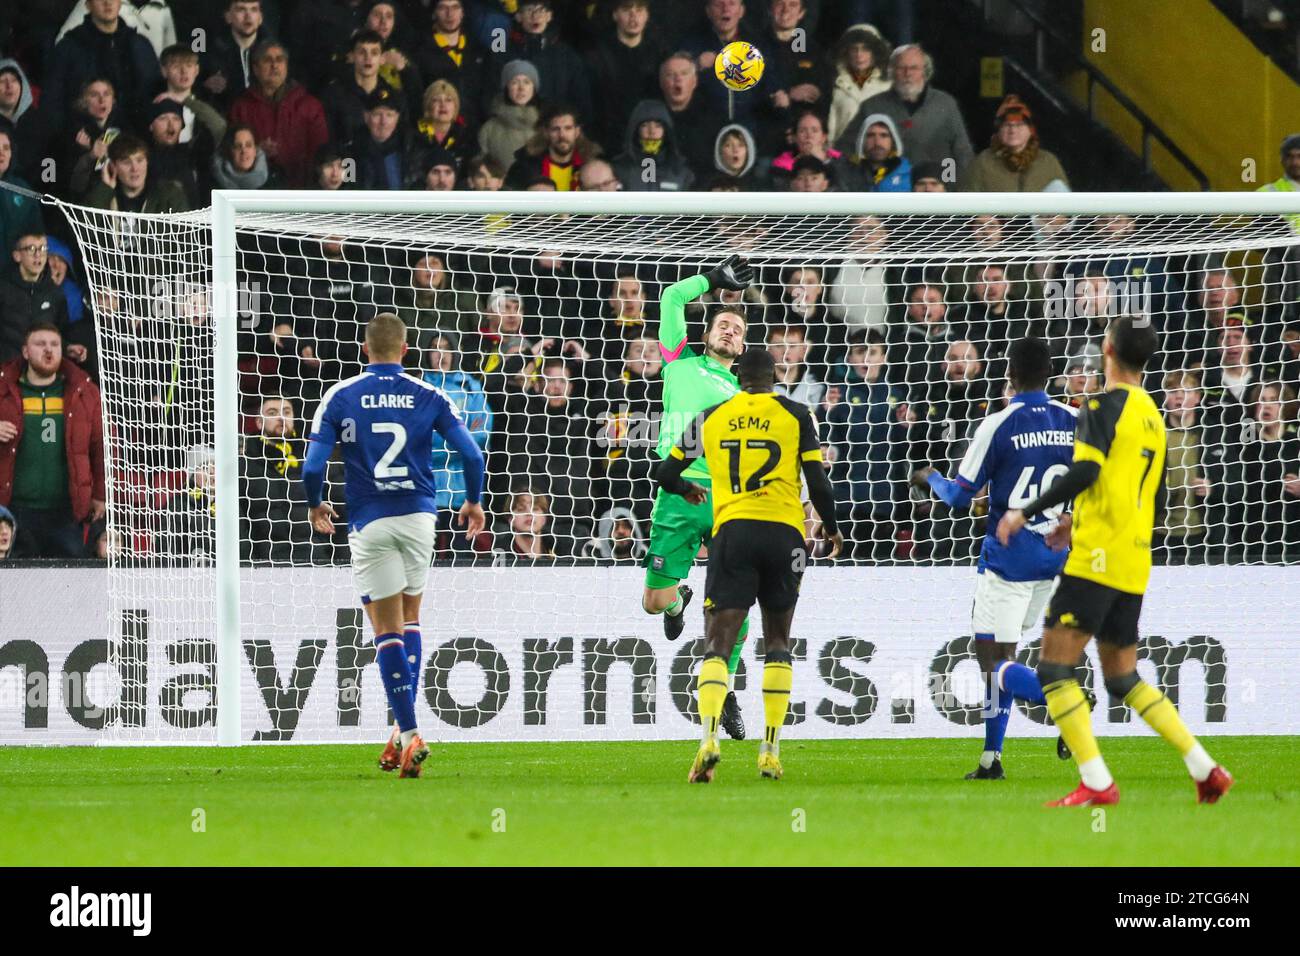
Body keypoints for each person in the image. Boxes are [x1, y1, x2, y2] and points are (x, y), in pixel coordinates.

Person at [996, 317, 1234, 807]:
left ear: (1107, 349)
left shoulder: (1101, 405)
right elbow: (1152, 495)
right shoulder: (1153, 413)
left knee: (1054, 668)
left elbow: (1086, 470)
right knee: (1123, 677)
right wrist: (1076, 522)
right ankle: (1205, 769)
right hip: (1134, 558)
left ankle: (1097, 781)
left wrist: (1026, 512)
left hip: (1096, 560)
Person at [302, 313, 486, 778]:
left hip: (370, 520)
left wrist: (316, 502)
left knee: (386, 629)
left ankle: (408, 733)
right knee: (411, 620)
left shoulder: (341, 395)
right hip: (422, 518)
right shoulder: (430, 394)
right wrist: (473, 501)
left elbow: (311, 466)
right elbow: (472, 453)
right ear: (406, 351)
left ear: (366, 349)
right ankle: (399, 732)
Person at [657, 347, 842, 783]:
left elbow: (664, 473)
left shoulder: (712, 415)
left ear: (738, 379)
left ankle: (707, 741)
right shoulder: (796, 414)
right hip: (784, 536)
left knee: (717, 643)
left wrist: (686, 489)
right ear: (775, 378)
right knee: (778, 641)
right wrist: (831, 529)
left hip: (733, 535)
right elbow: (818, 481)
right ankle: (771, 750)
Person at [918, 337, 1078, 779]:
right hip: (1056, 562)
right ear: (1051, 374)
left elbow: (957, 497)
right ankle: (991, 758)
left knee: (992, 660)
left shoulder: (998, 424)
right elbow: (1096, 483)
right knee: (1007, 659)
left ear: (1009, 375)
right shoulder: (1075, 420)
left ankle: (1062, 699)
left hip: (1008, 563)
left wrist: (927, 475)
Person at [645, 255, 751, 740]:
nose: (729, 331)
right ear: (706, 333)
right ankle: (676, 602)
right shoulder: (679, 363)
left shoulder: (743, 391)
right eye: (722, 323)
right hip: (678, 491)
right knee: (653, 601)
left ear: (744, 346)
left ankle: (724, 688)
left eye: (736, 329)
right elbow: (671, 296)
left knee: (736, 600)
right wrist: (713, 279)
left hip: (729, 495)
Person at [0, 322, 106, 559]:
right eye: (40, 344)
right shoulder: (3, 389)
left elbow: (101, 448)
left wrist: (100, 495)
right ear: (26, 351)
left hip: (66, 513)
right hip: (12, 510)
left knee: (66, 589)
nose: (48, 350)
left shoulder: (84, 392)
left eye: (54, 345)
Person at [835, 44, 973, 176]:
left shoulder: (945, 104)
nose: (908, 73)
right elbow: (844, 149)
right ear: (892, 72)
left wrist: (957, 190)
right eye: (901, 68)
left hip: (933, 190)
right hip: (887, 190)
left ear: (924, 72)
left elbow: (963, 152)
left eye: (914, 68)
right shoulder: (871, 106)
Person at [228, 40, 329, 187]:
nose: (274, 65)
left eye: (280, 60)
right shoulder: (241, 106)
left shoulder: (309, 105)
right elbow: (231, 151)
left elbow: (321, 153)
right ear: (255, 69)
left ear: (286, 67)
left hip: (300, 190)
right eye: (267, 60)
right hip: (254, 190)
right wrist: (256, 151)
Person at [961, 95, 1069, 193]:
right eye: (1007, 125)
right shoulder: (983, 162)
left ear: (1030, 130)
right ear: (999, 130)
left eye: (1019, 125)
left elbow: (1066, 206)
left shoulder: (1048, 162)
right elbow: (966, 203)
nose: (1012, 130)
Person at [503, 104, 597, 190]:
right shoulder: (524, 168)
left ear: (577, 132)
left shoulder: (592, 165)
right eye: (555, 129)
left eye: (568, 128)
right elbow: (505, 204)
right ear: (546, 132)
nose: (562, 135)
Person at [611, 99, 694, 192]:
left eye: (658, 125)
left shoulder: (681, 171)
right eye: (644, 125)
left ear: (666, 131)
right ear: (635, 130)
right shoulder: (619, 169)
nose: (652, 131)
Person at [828, 23, 890, 144]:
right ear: (846, 52)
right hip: (843, 156)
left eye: (865, 49)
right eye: (854, 49)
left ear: (875, 52)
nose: (859, 54)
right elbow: (830, 131)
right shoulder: (834, 85)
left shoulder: (888, 86)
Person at [477, 60, 541, 173]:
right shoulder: (490, 128)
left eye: (527, 82)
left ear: (534, 88)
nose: (521, 88)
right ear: (506, 87)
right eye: (515, 82)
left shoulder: (546, 124)